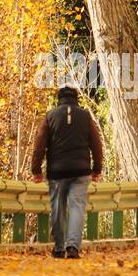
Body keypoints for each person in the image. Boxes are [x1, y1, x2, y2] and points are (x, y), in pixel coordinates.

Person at [30, 85, 104, 258]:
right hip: (81, 171)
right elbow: (97, 145)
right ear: (76, 99)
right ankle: (73, 247)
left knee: (58, 208)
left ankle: (58, 248)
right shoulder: (85, 116)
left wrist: (36, 170)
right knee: (77, 207)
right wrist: (96, 169)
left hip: (57, 172)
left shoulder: (50, 116)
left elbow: (39, 145)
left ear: (59, 99)